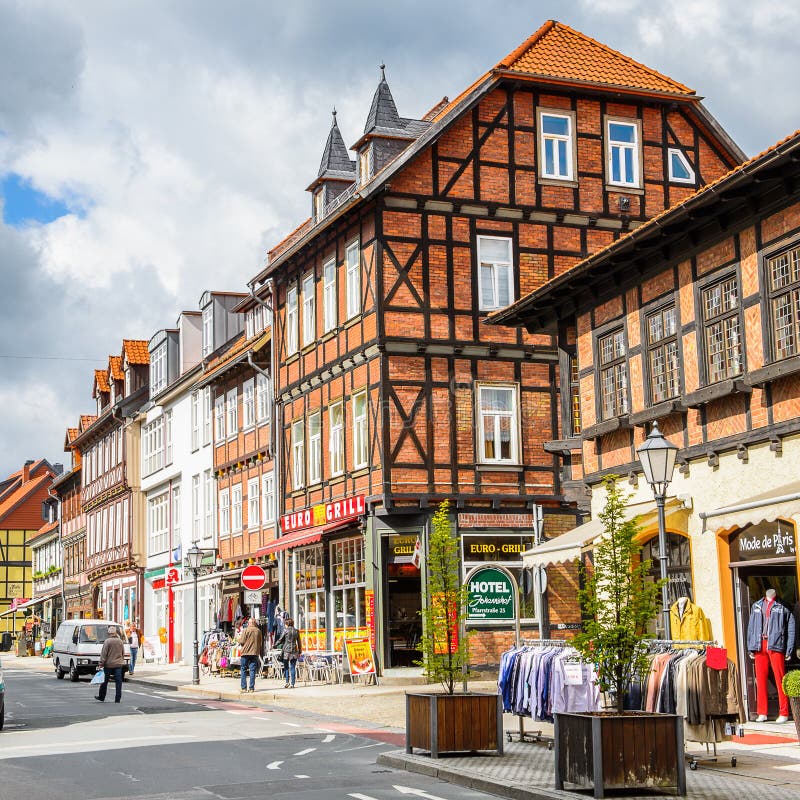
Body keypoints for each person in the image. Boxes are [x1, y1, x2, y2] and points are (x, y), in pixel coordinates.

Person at [747, 587, 796, 723]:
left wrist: (789, 649)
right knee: (760, 680)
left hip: (776, 644)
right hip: (759, 645)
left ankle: (784, 712)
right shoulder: (756, 606)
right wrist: (750, 647)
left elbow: (791, 629)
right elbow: (751, 627)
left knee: (780, 679)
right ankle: (762, 712)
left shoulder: (783, 606)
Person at [95, 625, 126, 703]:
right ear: (115, 633)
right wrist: (121, 660)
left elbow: (104, 653)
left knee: (104, 681)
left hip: (108, 665)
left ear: (109, 633)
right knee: (118, 682)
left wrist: (101, 663)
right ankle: (117, 699)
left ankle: (101, 697)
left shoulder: (107, 641)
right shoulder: (120, 641)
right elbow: (123, 652)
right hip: (118, 664)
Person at [237, 617, 263, 693]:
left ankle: (244, 688)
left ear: (249, 623)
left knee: (243, 670)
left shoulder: (246, 630)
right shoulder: (258, 631)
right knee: (252, 670)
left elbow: (242, 641)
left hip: (245, 653)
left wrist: (238, 639)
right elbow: (260, 642)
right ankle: (251, 688)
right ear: (255, 623)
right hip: (254, 653)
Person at [274, 617, 302, 688]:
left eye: (285, 624)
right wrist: (300, 650)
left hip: (286, 651)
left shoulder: (285, 630)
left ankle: (287, 682)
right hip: (294, 651)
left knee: (286, 667)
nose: (284, 625)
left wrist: (274, 645)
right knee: (293, 667)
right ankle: (292, 684)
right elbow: (299, 642)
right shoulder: (296, 631)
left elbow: (280, 640)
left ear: (287, 624)